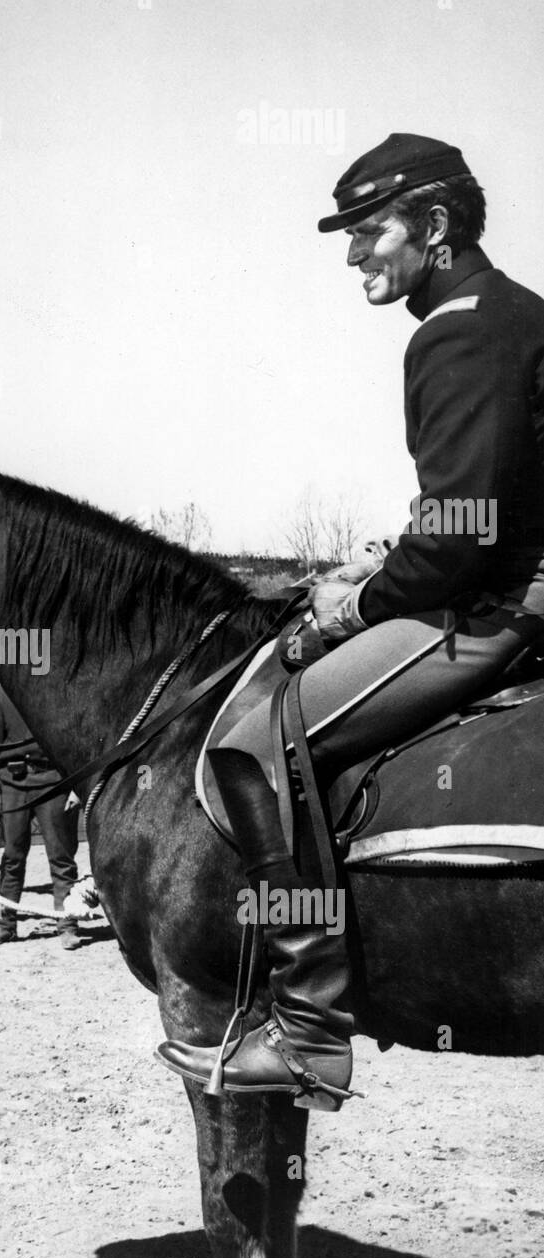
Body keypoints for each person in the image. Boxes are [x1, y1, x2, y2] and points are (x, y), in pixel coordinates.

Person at [160, 134, 544, 1104]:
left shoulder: (456, 329)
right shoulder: (513, 315)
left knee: (252, 743)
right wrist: (392, 552)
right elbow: (476, 506)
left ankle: (308, 1025)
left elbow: (465, 539)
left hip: (499, 611)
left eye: (367, 232)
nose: (351, 256)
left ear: (434, 226)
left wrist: (348, 609)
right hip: (503, 582)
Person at [0, 684, 83, 949]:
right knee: (11, 858)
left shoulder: (60, 690)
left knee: (61, 857)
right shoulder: (1, 695)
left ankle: (68, 925)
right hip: (13, 784)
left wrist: (77, 785)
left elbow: (76, 739)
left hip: (54, 782)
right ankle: (3, 925)